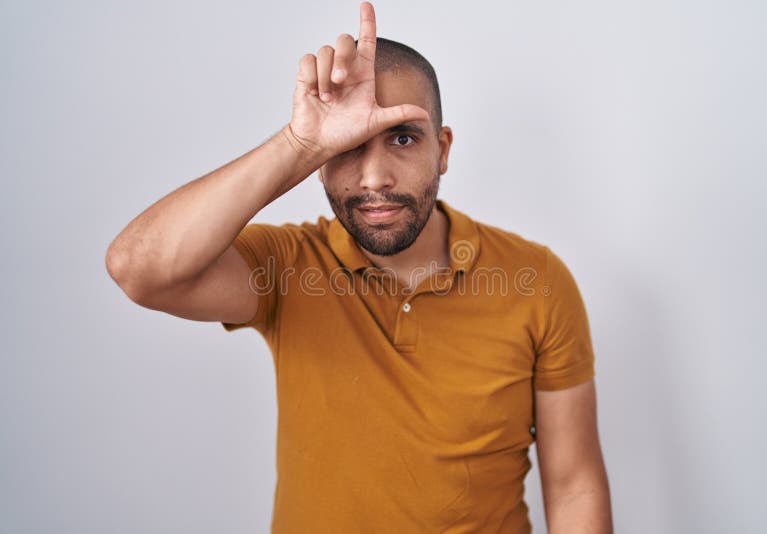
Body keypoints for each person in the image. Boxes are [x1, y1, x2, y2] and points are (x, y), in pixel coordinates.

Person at [105, 2, 613, 532]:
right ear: (318, 165)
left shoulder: (537, 281)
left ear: (441, 150)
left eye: (402, 138)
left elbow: (574, 484)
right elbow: (137, 268)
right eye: (348, 147)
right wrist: (299, 143)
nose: (374, 179)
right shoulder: (287, 268)